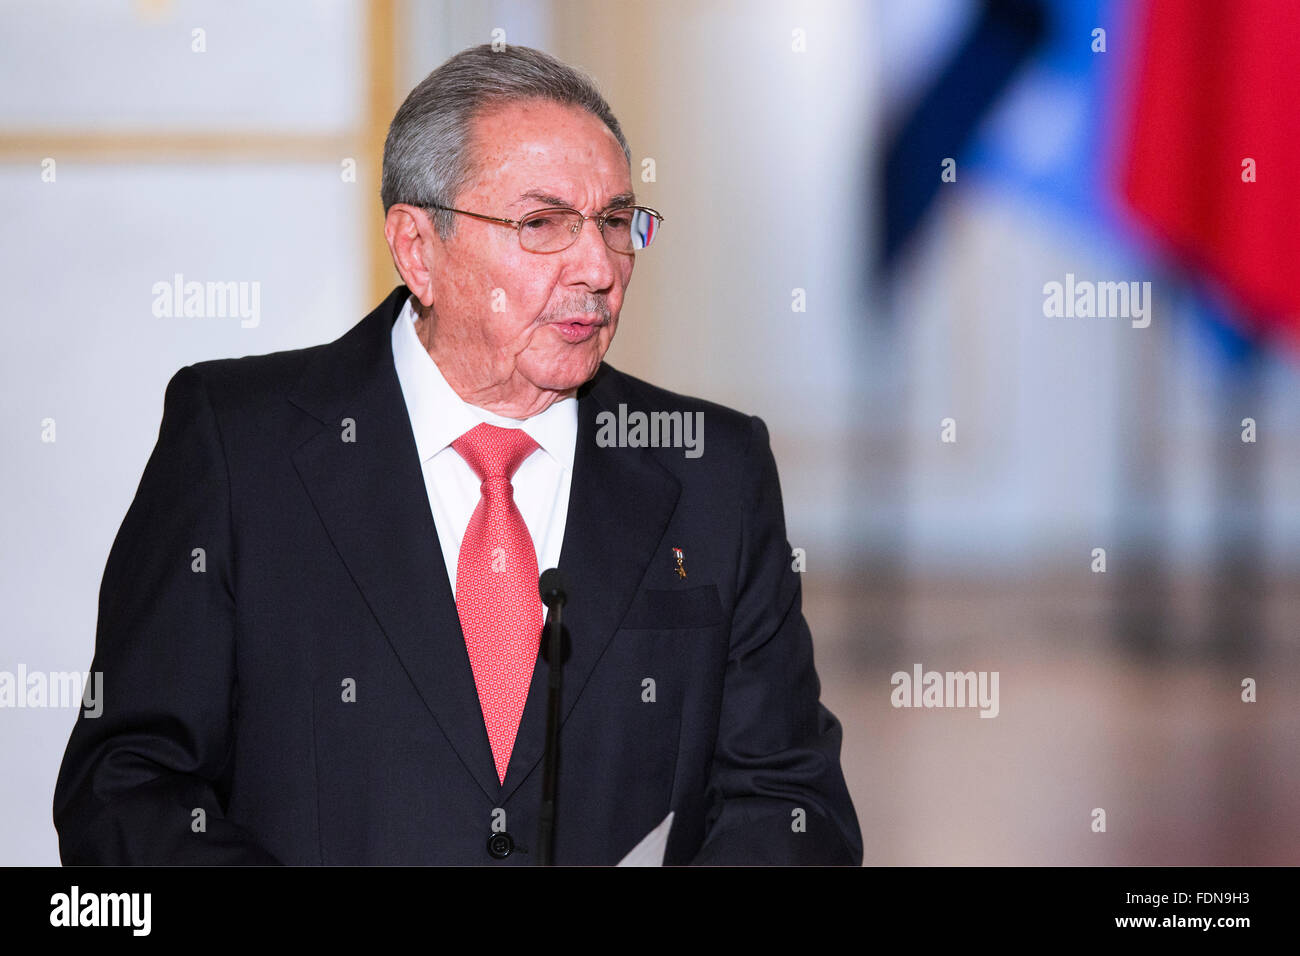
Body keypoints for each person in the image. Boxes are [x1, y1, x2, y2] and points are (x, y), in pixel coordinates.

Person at [52, 43, 862, 865]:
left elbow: (790, 804)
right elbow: (126, 788)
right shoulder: (239, 444)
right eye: (543, 224)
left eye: (616, 222)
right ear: (417, 248)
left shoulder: (710, 471)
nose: (598, 266)